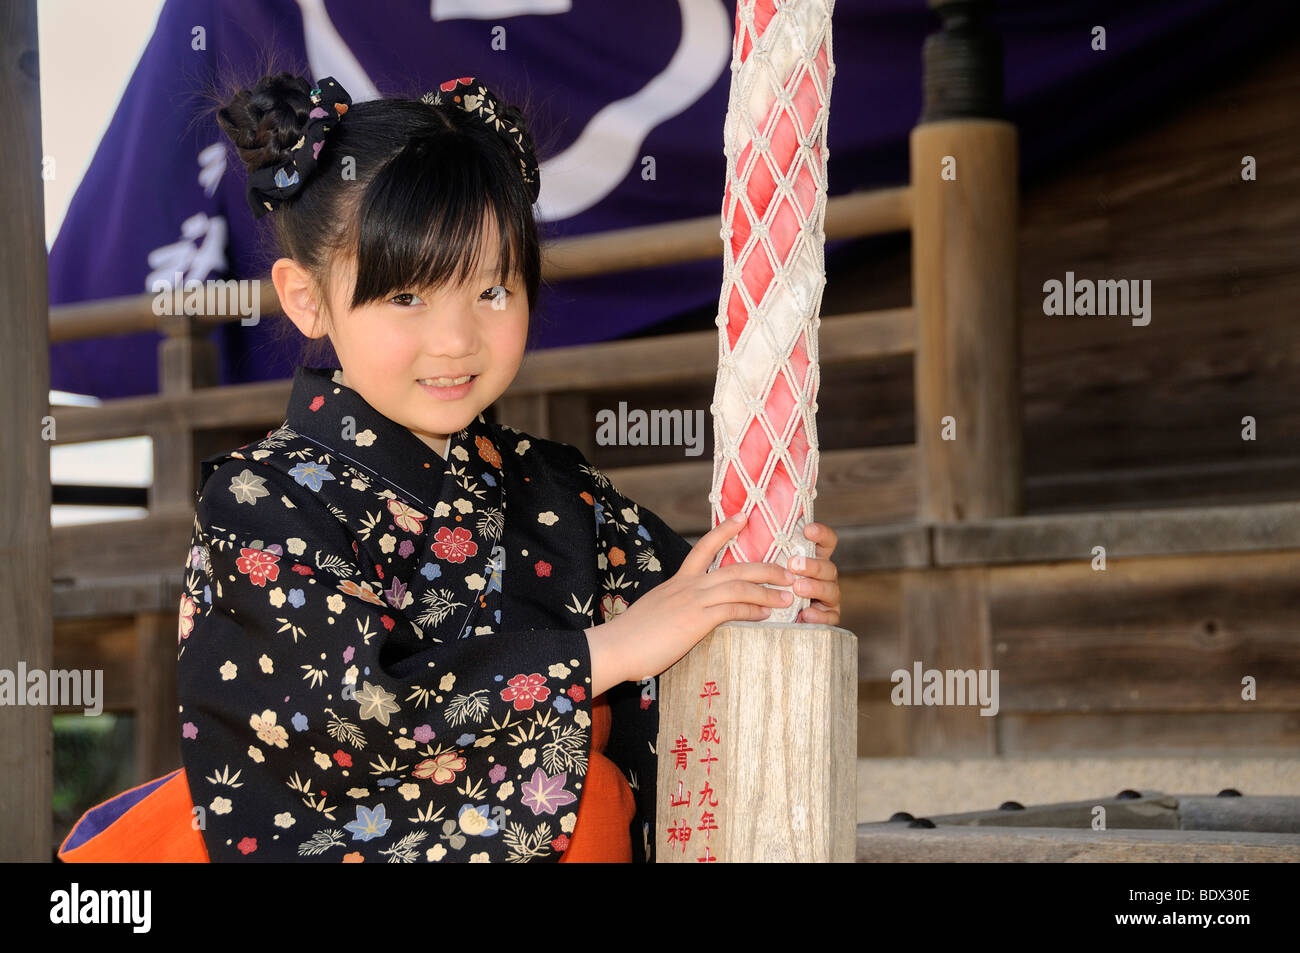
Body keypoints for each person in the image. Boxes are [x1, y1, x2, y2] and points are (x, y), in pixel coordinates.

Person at [58, 72, 841, 863]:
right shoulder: (259, 501)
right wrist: (600, 657)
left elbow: (682, 620)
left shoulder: (557, 489)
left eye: (493, 289)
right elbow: (343, 720)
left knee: (594, 787)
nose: (457, 338)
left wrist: (765, 599)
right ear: (306, 297)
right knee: (579, 790)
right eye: (407, 297)